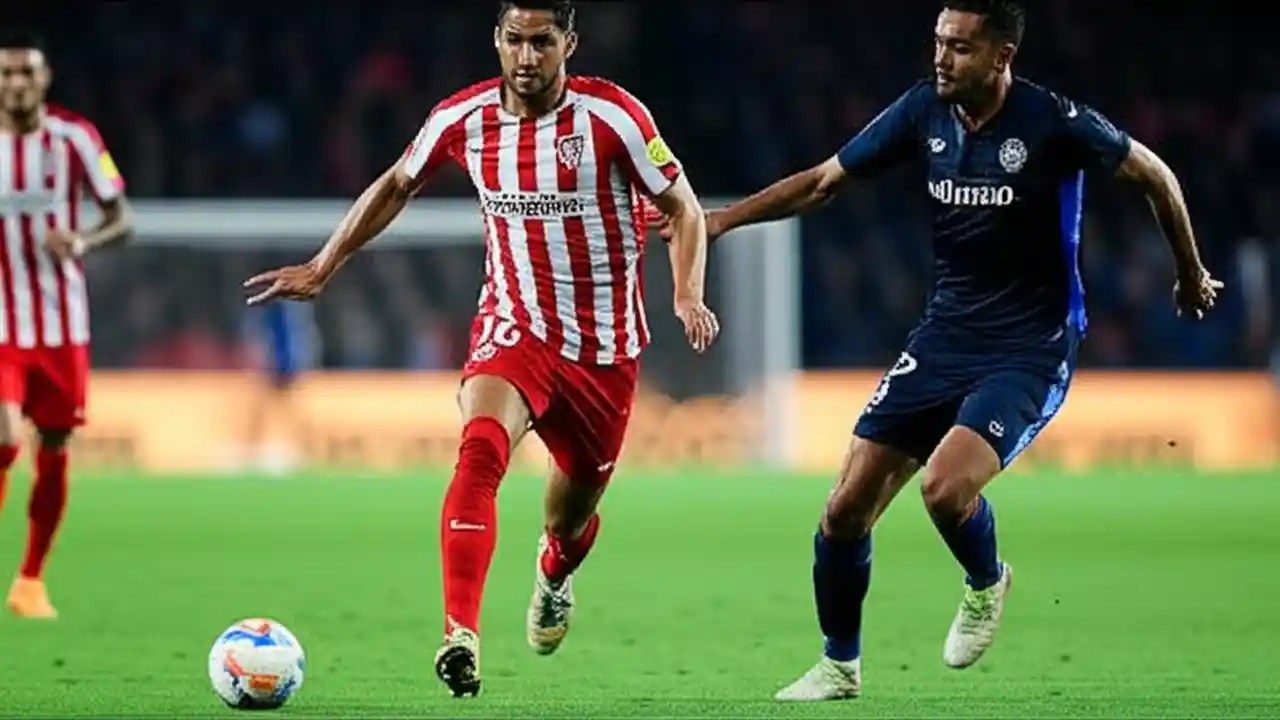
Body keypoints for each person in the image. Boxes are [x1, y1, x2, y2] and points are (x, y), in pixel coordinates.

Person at [661, 0, 1222, 701]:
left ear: (1001, 57)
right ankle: (839, 665)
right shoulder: (922, 111)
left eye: (959, 47)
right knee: (842, 511)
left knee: (944, 488)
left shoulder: (1054, 122)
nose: (941, 57)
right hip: (944, 336)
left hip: (1030, 346)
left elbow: (1157, 176)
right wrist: (720, 222)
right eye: (938, 42)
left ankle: (987, 582)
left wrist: (1190, 272)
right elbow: (823, 182)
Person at [243, 0, 718, 698]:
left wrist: (686, 293)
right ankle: (459, 634)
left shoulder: (615, 118)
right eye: (516, 41)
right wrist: (324, 264)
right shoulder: (462, 119)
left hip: (604, 349)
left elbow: (684, 208)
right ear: (496, 41)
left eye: (543, 42)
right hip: (513, 324)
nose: (528, 57)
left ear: (569, 44)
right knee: (481, 450)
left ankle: (554, 570)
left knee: (571, 516)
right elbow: (397, 183)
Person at [0, 30, 134, 619]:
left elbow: (121, 219)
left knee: (53, 447)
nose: (16, 84)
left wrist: (82, 239)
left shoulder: (75, 138)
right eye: (6, 74)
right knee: (4, 439)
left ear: (44, 79)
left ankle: (30, 581)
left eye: (26, 73)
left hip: (62, 325)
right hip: (2, 325)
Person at [240, 301, 316, 472]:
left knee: (275, 407)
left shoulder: (284, 311)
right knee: (275, 407)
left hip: (284, 364)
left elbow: (287, 338)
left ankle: (285, 446)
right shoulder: (287, 311)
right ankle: (267, 446)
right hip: (283, 363)